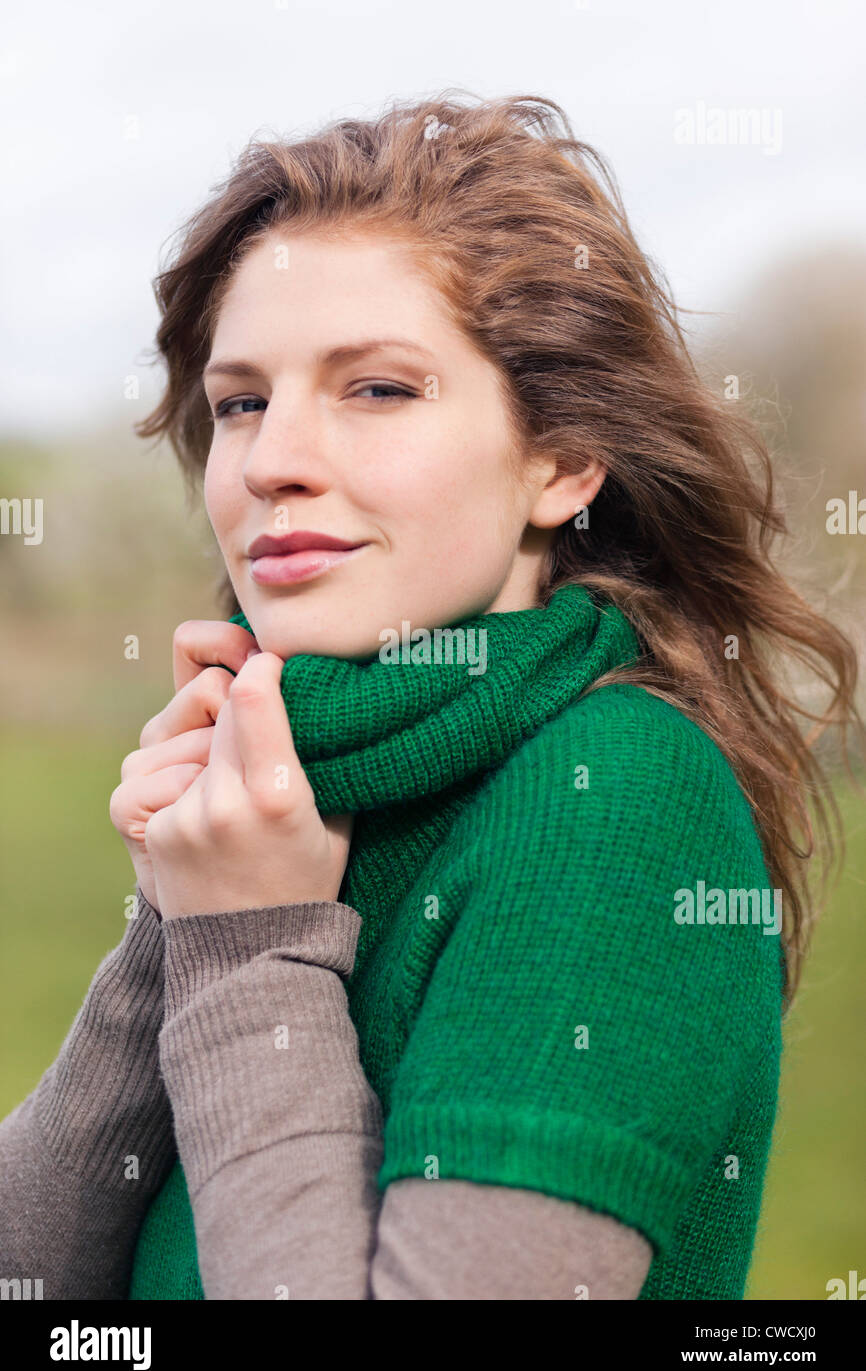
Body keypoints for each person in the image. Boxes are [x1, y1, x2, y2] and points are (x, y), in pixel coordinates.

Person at [1, 91, 860, 1301]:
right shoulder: (288, 782)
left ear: (559, 462)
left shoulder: (615, 797)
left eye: (378, 389)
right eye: (241, 399)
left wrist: (247, 946)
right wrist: (174, 914)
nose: (271, 459)